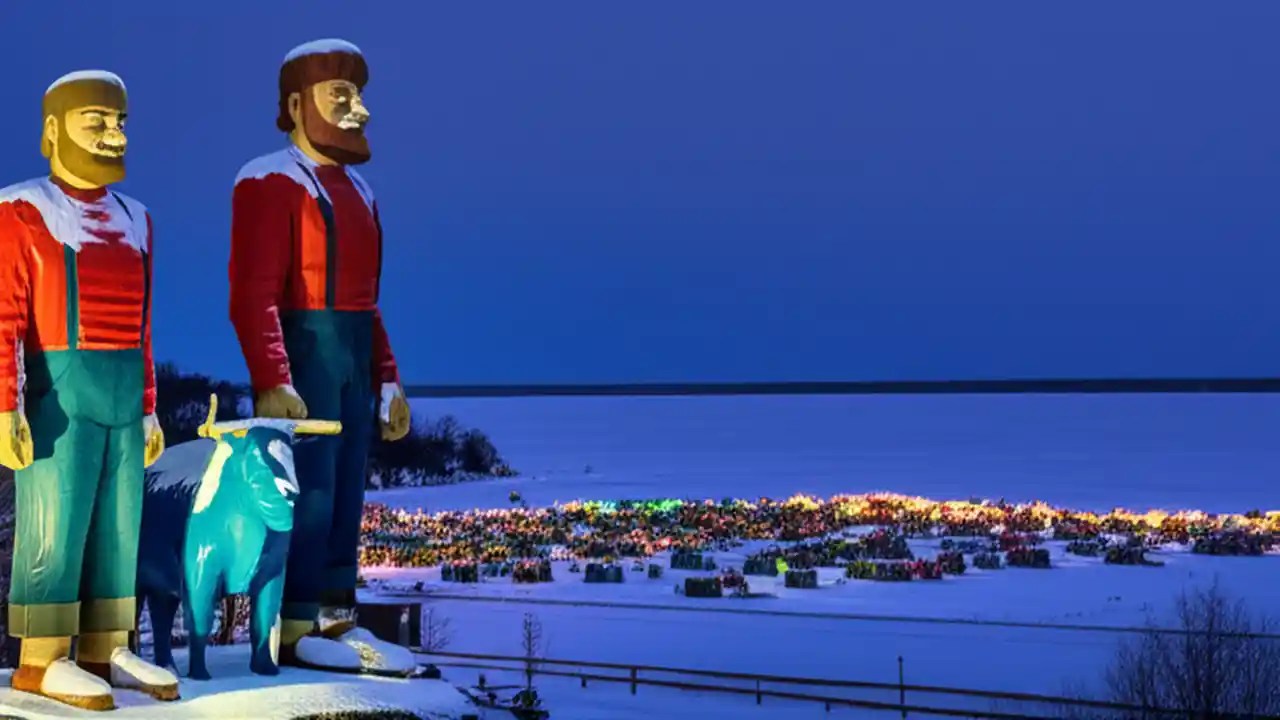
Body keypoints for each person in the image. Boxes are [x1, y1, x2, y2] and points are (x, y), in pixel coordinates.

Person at [228, 39, 414, 674]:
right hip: (303, 355)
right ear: (296, 103)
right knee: (304, 493)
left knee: (346, 496)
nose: (358, 109)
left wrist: (388, 380)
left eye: (359, 95)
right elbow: (252, 295)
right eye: (342, 95)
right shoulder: (269, 181)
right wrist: (272, 376)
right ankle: (293, 620)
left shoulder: (362, 191)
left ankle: (337, 614)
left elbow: (370, 303)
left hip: (353, 358)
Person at [0, 70, 177, 710]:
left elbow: (145, 323)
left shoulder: (139, 220)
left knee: (119, 522)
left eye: (119, 121)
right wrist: (4, 405)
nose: (112, 133)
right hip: (57, 393)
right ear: (52, 131)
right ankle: (42, 657)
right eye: (95, 120)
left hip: (125, 393)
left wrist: (152, 406)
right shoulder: (22, 211)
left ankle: (108, 644)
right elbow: (3, 317)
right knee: (57, 518)